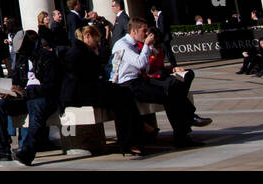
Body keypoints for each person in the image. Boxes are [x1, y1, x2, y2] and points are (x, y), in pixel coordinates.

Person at [110, 17, 207, 147]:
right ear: (134, 30)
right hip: (129, 85)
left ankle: (184, 131)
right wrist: (146, 46)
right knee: (169, 94)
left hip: (140, 80)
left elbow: (147, 67)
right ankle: (187, 123)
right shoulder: (122, 44)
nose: (146, 34)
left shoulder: (134, 44)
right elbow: (140, 63)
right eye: (144, 31)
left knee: (173, 88)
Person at [61, 25, 147, 157]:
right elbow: (84, 75)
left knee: (124, 94)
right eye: (96, 40)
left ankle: (134, 136)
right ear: (87, 36)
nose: (98, 43)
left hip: (86, 90)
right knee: (122, 97)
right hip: (81, 93)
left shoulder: (81, 49)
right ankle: (130, 140)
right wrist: (95, 56)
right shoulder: (77, 51)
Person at [0, 30, 61, 165]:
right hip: (26, 96)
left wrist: (24, 92)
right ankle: (2, 150)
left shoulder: (46, 56)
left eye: (22, 50)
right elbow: (16, 78)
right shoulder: (22, 58)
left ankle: (27, 152)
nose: (20, 53)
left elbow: (51, 86)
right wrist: (8, 90)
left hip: (41, 96)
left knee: (36, 107)